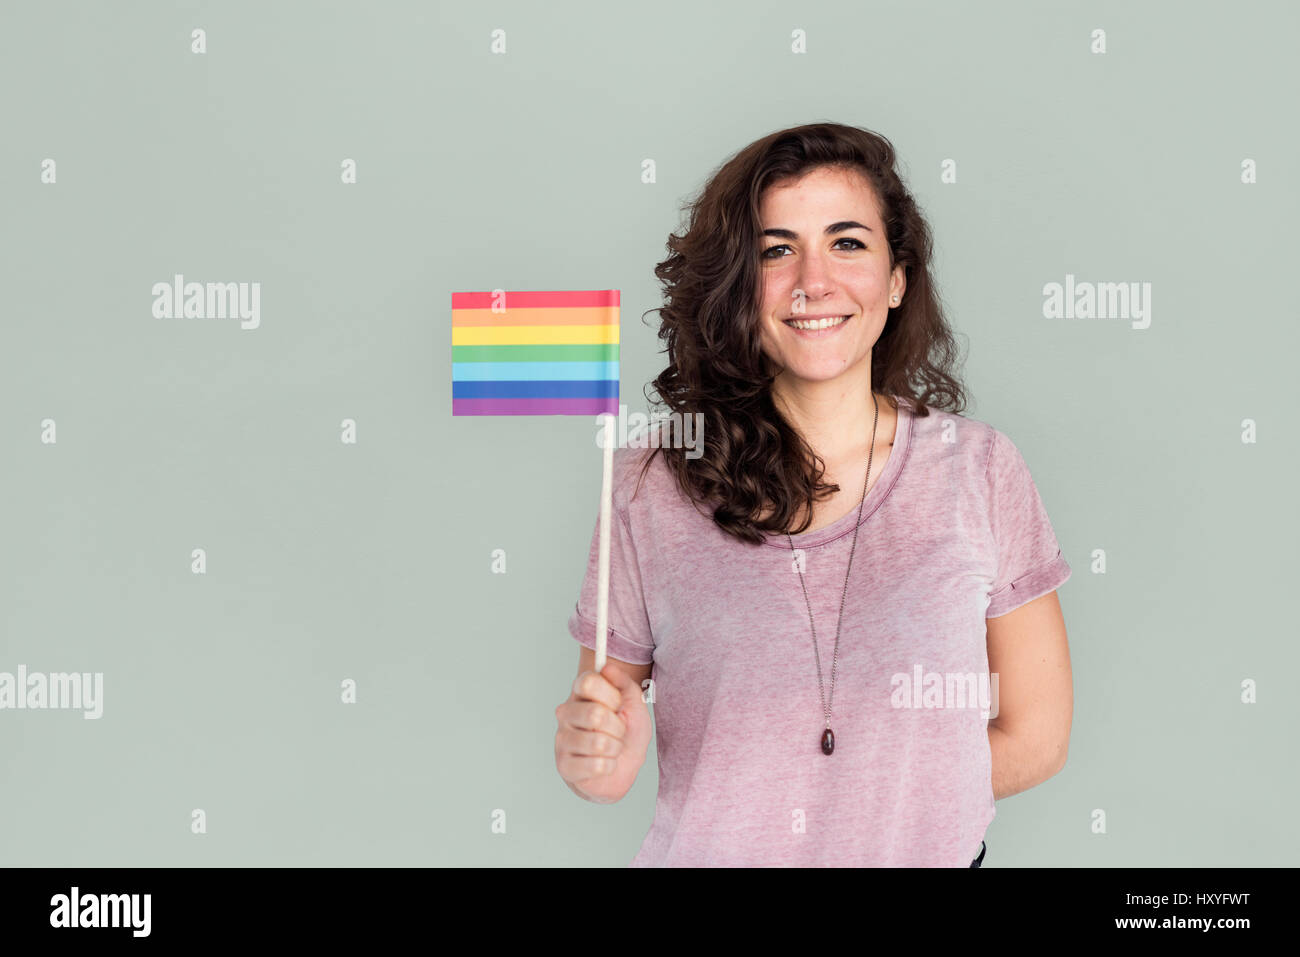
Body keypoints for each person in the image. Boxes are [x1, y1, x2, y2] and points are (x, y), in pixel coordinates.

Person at [553, 122, 1073, 867]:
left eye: (848, 242)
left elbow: (1038, 735)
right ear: (738, 282)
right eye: (776, 249)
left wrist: (867, 810)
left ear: (897, 278)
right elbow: (604, 759)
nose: (812, 281)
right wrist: (596, 758)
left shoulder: (979, 469)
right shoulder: (650, 484)